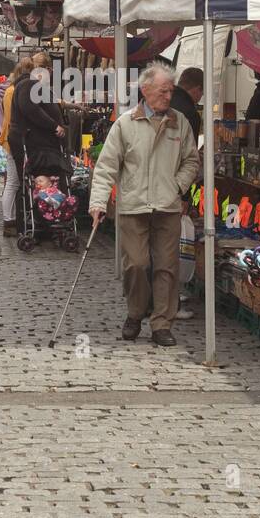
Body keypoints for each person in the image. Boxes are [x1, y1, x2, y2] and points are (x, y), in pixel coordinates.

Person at [89, 63, 200, 347]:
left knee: (166, 267)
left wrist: (178, 186)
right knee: (136, 265)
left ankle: (162, 324)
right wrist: (98, 202)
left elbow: (191, 160)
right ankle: (136, 313)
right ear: (145, 90)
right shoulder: (126, 124)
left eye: (171, 91)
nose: (168, 96)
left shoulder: (180, 123)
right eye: (163, 91)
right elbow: (106, 167)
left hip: (167, 206)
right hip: (134, 206)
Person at [0, 58, 32, 237]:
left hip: (12, 138)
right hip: (14, 139)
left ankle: (10, 219)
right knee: (13, 182)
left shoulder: (12, 89)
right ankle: (9, 220)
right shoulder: (13, 91)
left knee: (13, 181)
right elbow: (13, 118)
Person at [171, 67, 204, 137]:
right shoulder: (191, 114)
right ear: (197, 89)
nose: (201, 96)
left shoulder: (162, 100)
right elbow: (191, 147)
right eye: (202, 93)